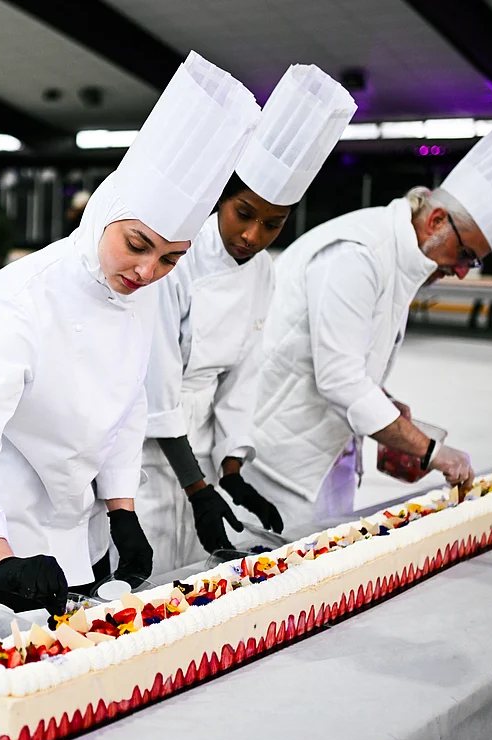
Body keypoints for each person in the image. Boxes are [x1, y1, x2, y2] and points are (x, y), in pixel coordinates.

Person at [0, 51, 260, 614]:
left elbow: (126, 405)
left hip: (82, 536)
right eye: (136, 245)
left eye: (171, 258)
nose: (148, 271)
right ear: (105, 212)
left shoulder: (140, 291)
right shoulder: (18, 299)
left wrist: (122, 512)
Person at [249, 118, 492, 529]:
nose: (462, 272)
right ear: (437, 220)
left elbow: (343, 357)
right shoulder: (358, 255)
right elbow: (338, 378)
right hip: (277, 468)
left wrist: (384, 402)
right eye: (464, 254)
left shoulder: (402, 259)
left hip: (323, 457)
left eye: (472, 261)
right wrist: (430, 452)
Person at [140, 64, 356, 571]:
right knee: (144, 588)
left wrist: (231, 471)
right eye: (244, 213)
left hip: (203, 458)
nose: (253, 236)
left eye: (273, 223)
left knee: (193, 586)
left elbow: (243, 374)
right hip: (145, 455)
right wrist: (197, 486)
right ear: (222, 199)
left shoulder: (263, 273)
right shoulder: (176, 261)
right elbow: (157, 388)